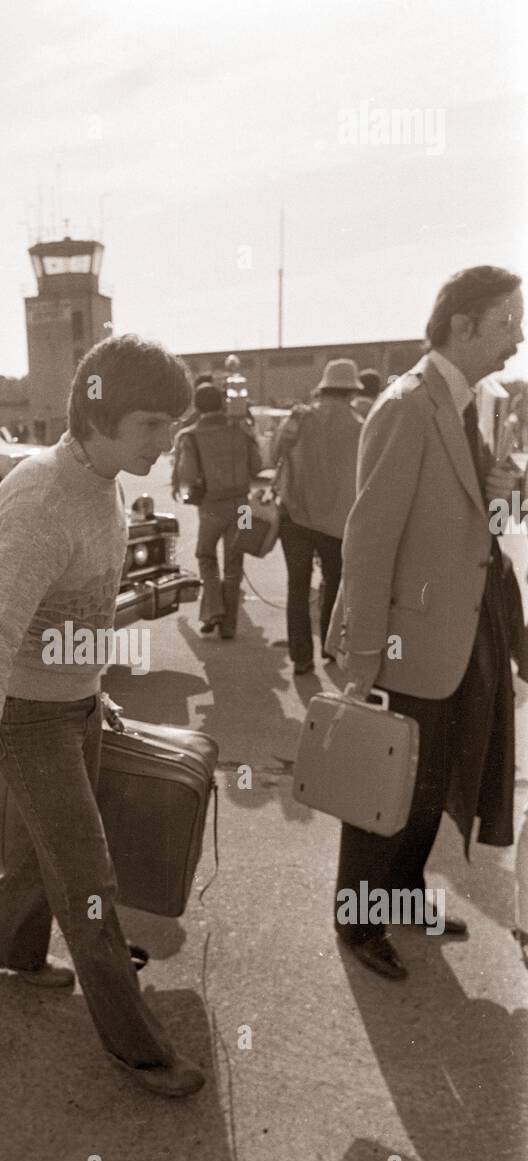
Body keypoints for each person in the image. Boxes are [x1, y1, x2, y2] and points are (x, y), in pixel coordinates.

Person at [0, 335, 205, 1098]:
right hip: (27, 720)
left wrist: (93, 689)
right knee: (89, 878)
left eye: (173, 425)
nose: (168, 441)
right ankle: (139, 1049)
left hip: (77, 706)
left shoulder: (105, 478)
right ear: (99, 415)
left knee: (45, 856)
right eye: (153, 424)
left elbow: (78, 611)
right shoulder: (43, 502)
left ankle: (3, 943)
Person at [327, 265, 525, 979]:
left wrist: (507, 495)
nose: (520, 339)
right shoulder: (407, 406)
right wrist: (362, 664)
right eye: (509, 322)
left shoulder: (480, 407)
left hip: (460, 636)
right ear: (462, 324)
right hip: (406, 642)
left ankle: (402, 900)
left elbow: (490, 531)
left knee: (430, 785)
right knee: (386, 784)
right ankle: (357, 921)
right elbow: (368, 541)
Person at [272, 359, 364, 675]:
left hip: (294, 516)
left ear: (323, 387)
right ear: (352, 390)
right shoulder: (361, 426)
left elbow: (273, 455)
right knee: (334, 582)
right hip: (338, 522)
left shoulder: (298, 418)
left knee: (297, 587)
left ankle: (301, 658)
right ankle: (330, 648)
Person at [173, 383, 264, 640]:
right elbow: (257, 466)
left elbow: (187, 475)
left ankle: (213, 610)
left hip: (211, 507)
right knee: (234, 564)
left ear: (198, 406)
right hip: (242, 506)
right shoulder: (240, 430)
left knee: (206, 556)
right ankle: (229, 626)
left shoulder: (190, 436)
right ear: (222, 403)